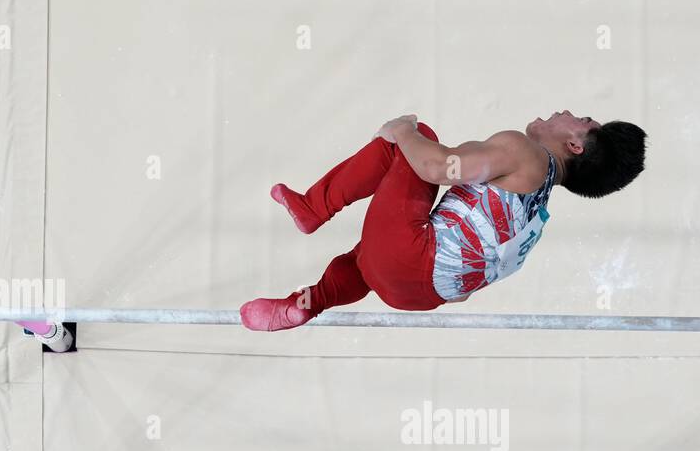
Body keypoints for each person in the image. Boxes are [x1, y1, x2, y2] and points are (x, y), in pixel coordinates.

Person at [240, 112, 647, 331]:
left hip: (413, 259)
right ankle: (304, 306)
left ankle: (313, 208)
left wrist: (404, 132)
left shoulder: (525, 152)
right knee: (364, 262)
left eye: (582, 119)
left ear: (574, 145)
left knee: (418, 139)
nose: (566, 111)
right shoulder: (537, 219)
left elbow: (439, 167)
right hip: (419, 296)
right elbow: (468, 286)